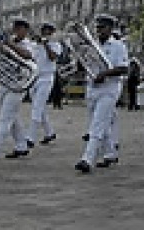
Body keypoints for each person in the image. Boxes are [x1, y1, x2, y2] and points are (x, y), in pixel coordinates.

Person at [74, 14, 129, 173]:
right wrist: (80, 55)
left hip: (109, 88)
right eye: (97, 28)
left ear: (110, 29)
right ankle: (110, 153)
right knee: (98, 123)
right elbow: (82, 67)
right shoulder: (91, 45)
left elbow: (124, 68)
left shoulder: (119, 46)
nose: (99, 31)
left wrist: (104, 74)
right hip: (92, 88)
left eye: (102, 28)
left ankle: (87, 159)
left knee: (97, 124)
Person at [0, 18, 35, 162]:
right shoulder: (9, 40)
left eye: (19, 29)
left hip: (19, 84)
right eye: (15, 28)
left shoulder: (29, 44)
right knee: (12, 116)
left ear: (25, 30)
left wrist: (9, 44)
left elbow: (27, 55)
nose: (16, 31)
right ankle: (21, 146)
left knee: (5, 118)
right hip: (5, 82)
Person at [28, 23, 62, 144]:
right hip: (34, 78)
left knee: (37, 107)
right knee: (39, 108)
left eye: (48, 31)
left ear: (51, 33)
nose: (45, 33)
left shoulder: (56, 45)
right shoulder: (34, 45)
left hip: (46, 78)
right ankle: (50, 133)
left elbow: (53, 57)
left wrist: (45, 44)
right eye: (43, 31)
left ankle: (30, 137)